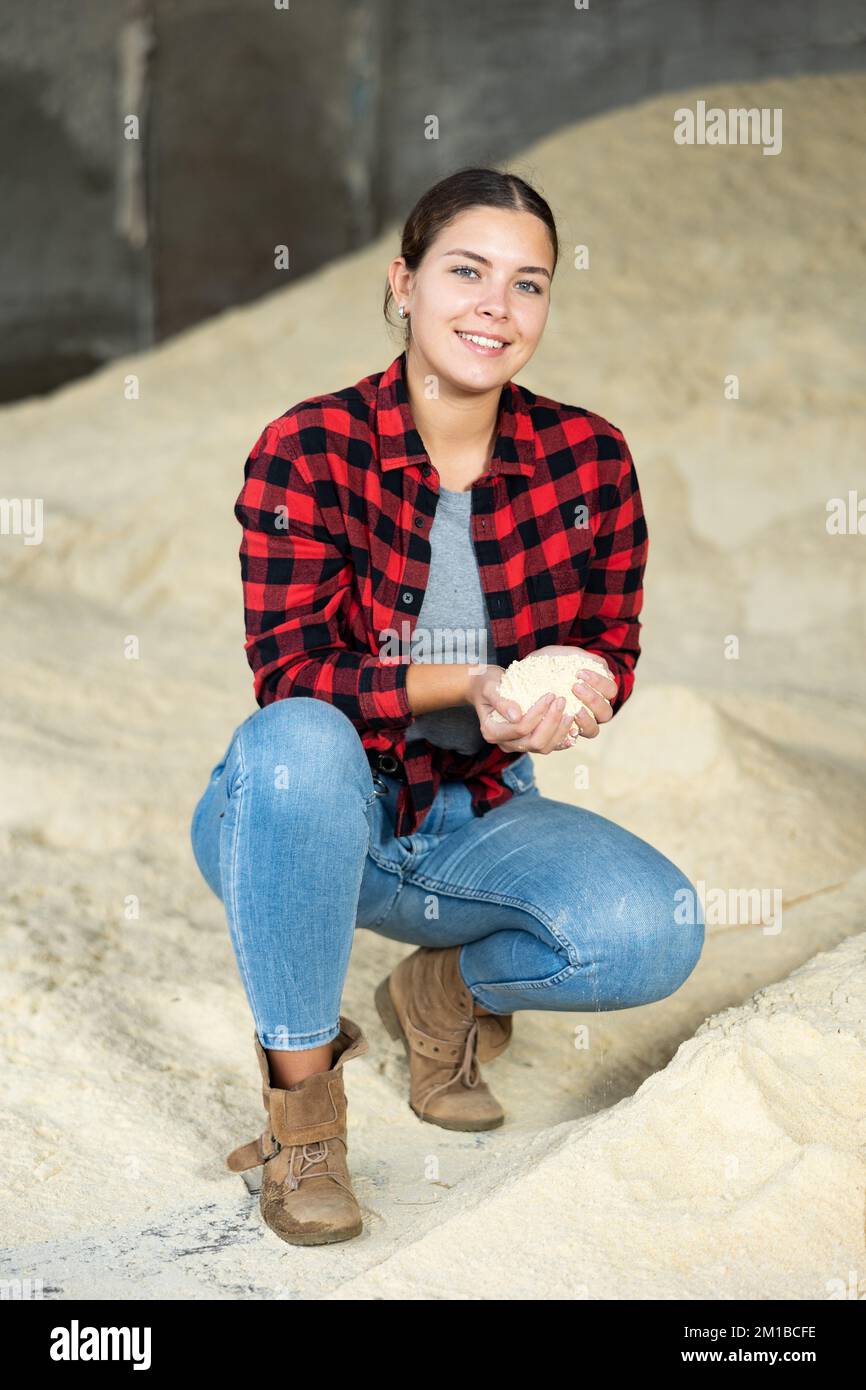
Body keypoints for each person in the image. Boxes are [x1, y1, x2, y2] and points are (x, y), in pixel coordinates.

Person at [189, 165, 705, 1248]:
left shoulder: (589, 457)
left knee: (651, 932)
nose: (495, 307)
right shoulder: (310, 446)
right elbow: (293, 673)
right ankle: (304, 1120)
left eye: (528, 284)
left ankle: (440, 996)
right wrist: (466, 683)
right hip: (311, 814)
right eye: (464, 272)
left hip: (478, 811)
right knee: (292, 740)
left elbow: (610, 642)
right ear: (403, 284)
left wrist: (577, 695)